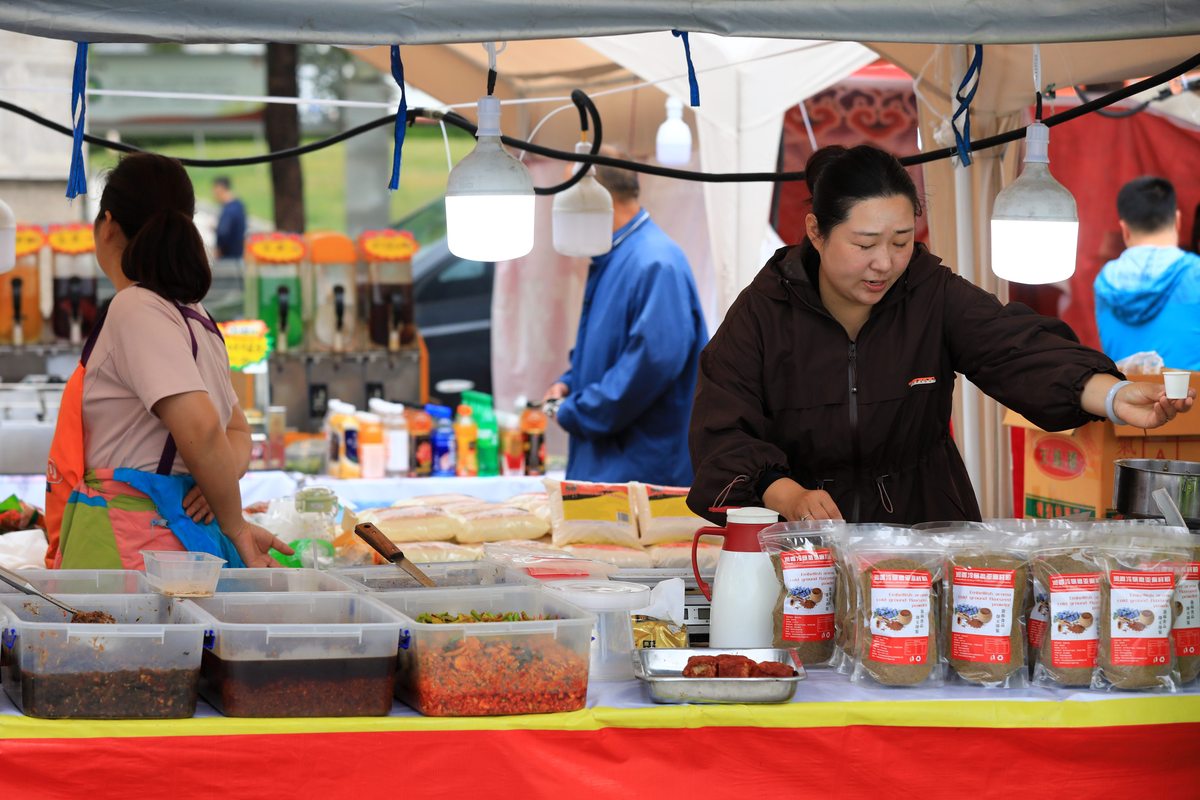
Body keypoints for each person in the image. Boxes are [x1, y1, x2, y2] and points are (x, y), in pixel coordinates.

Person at [688, 145, 1194, 525]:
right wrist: (785, 494)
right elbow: (721, 430)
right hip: (803, 547)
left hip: (926, 533)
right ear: (817, 233)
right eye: (864, 243)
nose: (884, 263)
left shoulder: (930, 294)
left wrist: (1116, 395)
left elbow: (1016, 349)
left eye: (901, 241)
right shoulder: (763, 312)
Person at [44, 153, 291, 569]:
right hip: (174, 541)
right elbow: (235, 431)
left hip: (136, 548)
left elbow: (203, 427)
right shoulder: (197, 315)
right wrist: (215, 485)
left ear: (108, 225)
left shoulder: (135, 308)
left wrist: (235, 525)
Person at [544, 149, 708, 486]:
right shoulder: (619, 255)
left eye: (567, 196)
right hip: (612, 471)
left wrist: (576, 410)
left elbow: (649, 366)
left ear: (594, 195)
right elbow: (610, 354)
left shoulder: (654, 263)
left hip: (641, 476)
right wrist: (571, 382)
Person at [1094, 176, 1200, 369]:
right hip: (1192, 397)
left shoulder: (1103, 281)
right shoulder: (1196, 273)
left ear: (1124, 230)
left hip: (1125, 397)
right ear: (1177, 221)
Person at [209, 176, 247, 321]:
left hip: (228, 259)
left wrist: (219, 248)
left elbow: (224, 232)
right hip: (238, 257)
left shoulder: (229, 210)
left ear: (220, 188)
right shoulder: (239, 205)